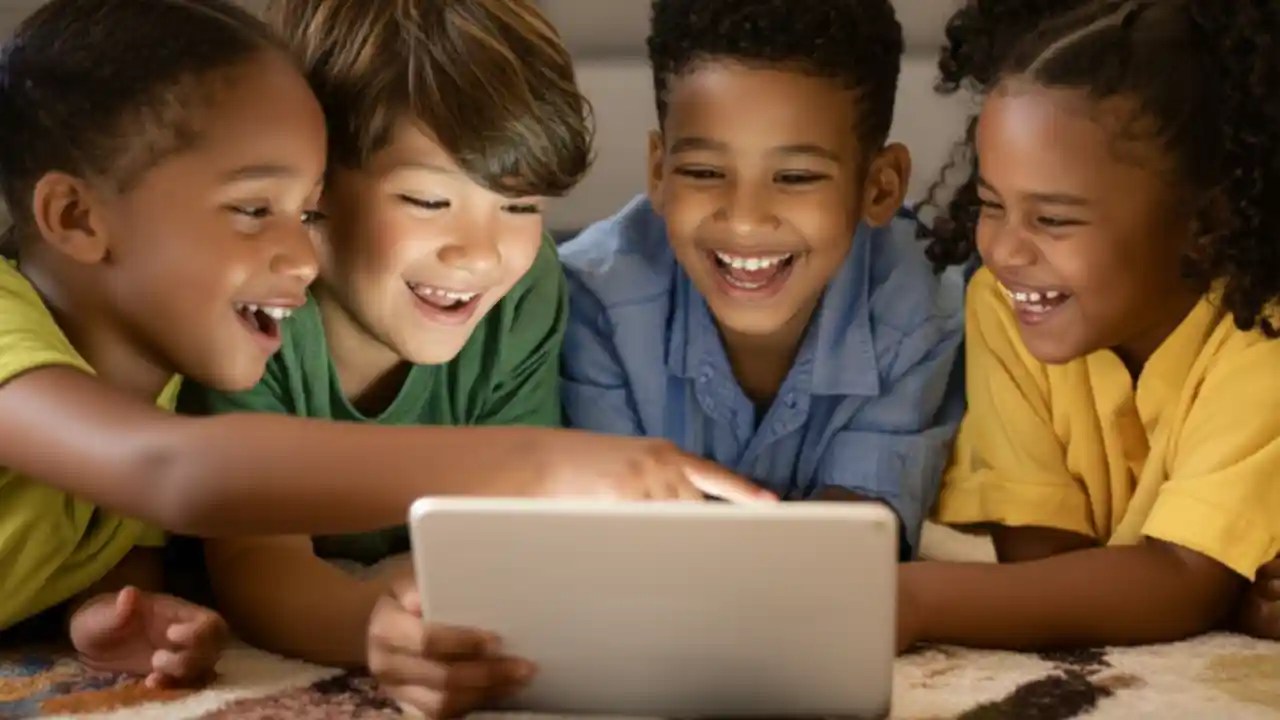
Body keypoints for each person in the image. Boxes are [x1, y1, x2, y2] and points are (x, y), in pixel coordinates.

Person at [0, 0, 763, 689]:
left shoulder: (161, 364)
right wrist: (543, 463)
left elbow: (113, 530)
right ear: (75, 217)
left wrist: (102, 611)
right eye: (255, 210)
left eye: (304, 212)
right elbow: (170, 471)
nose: (300, 257)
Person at [900, 0, 1280, 652]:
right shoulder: (1005, 304)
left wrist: (912, 599)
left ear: (1205, 225)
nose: (1004, 251)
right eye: (991, 204)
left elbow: (1182, 583)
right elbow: (1041, 556)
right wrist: (1214, 593)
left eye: (1052, 220)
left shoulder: (1261, 341)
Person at [557, 0, 965, 561]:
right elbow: (612, 540)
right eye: (704, 172)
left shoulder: (920, 305)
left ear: (880, 187)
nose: (745, 220)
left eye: (795, 177)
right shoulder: (593, 300)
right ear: (658, 171)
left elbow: (856, 545)